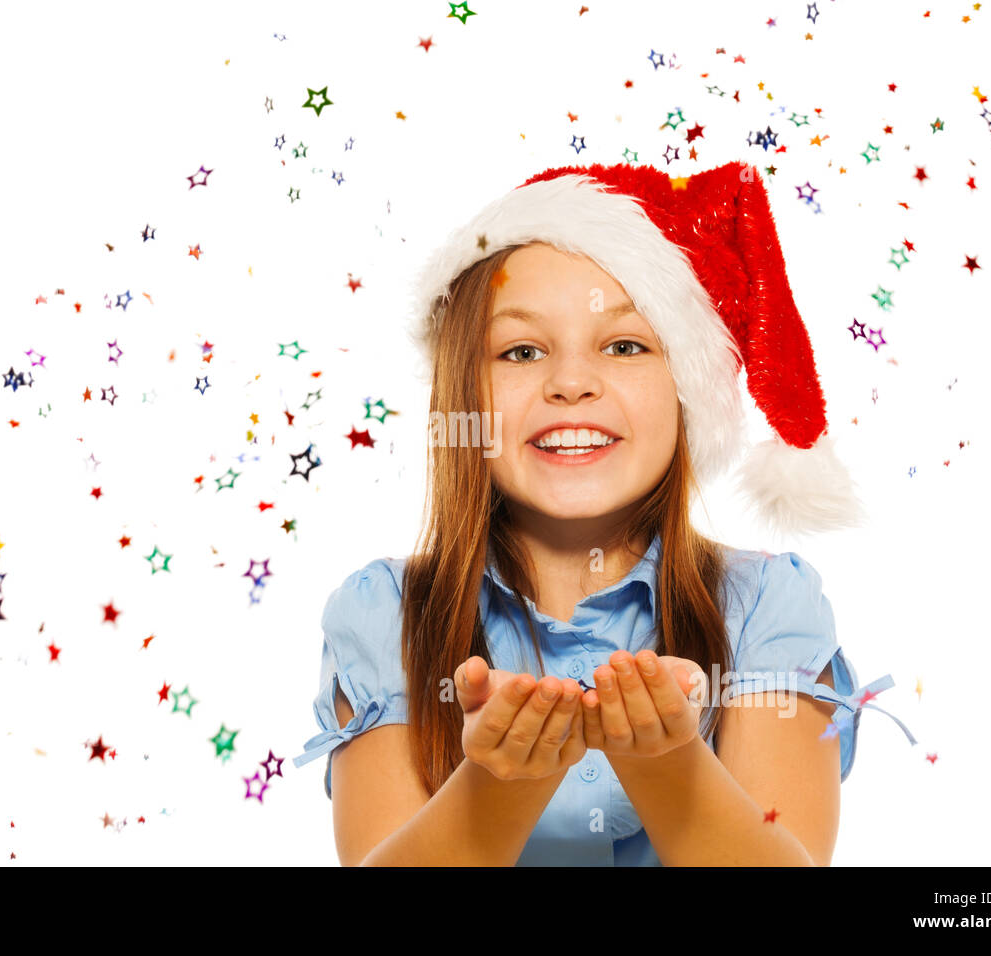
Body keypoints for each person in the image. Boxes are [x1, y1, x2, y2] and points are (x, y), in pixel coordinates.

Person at [292, 161, 914, 866]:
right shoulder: (388, 614)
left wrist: (670, 765)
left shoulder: (766, 607)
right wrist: (497, 784)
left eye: (624, 346)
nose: (572, 383)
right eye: (522, 351)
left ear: (688, 391)